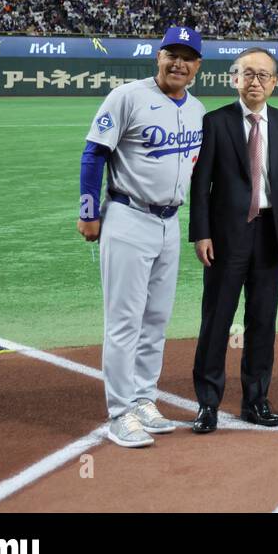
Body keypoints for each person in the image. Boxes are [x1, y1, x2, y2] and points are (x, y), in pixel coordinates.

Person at [77, 26, 206, 448]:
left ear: (197, 66)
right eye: (172, 54)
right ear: (158, 56)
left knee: (155, 320)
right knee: (124, 322)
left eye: (187, 57)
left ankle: (144, 398)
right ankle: (119, 413)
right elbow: (94, 152)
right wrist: (88, 211)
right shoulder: (128, 96)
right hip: (128, 217)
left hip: (171, 224)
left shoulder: (197, 109)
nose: (178, 63)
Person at [187, 48, 278, 433]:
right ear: (234, 79)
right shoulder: (215, 122)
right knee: (217, 318)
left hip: (271, 234)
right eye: (247, 74)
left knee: (262, 320)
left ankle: (256, 400)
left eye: (263, 75)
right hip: (225, 237)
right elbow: (200, 185)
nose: (255, 81)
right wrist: (201, 232)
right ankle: (207, 403)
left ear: (275, 82)